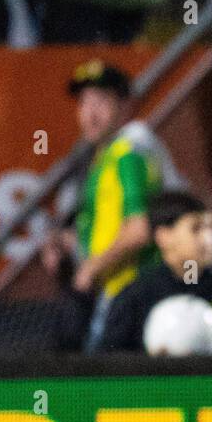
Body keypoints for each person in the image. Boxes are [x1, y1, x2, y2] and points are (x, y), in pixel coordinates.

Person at [42, 60, 183, 352]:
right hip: (118, 294)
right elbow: (112, 225)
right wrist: (71, 242)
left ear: (127, 106)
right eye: (84, 103)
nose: (89, 115)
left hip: (133, 295)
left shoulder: (127, 153)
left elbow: (139, 229)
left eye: (101, 102)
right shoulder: (105, 155)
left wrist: (89, 269)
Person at [95, 191, 212, 352]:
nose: (208, 238)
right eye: (196, 228)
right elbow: (112, 358)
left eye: (211, 228)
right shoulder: (137, 296)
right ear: (163, 236)